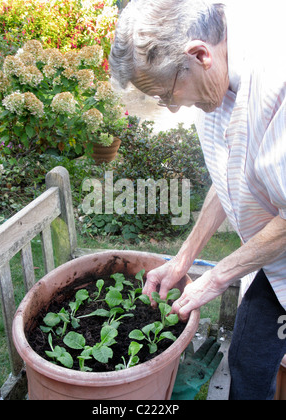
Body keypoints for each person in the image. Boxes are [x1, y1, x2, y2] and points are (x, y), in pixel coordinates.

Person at [109, 0, 286, 400]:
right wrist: (184, 259)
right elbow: (230, 177)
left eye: (168, 92)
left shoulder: (278, 77)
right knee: (249, 359)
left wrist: (215, 278)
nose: (172, 107)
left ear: (199, 55)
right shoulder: (214, 76)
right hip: (278, 261)